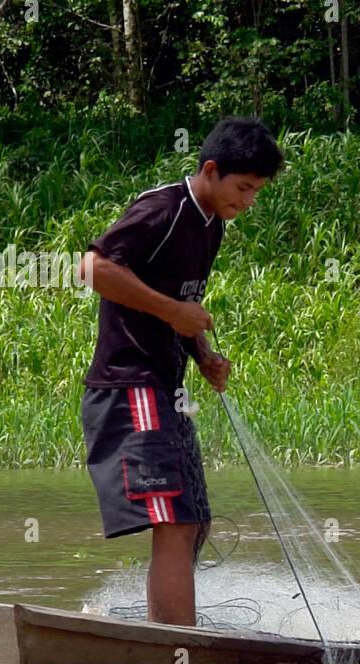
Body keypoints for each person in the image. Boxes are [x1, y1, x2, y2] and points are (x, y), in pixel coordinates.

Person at [79, 117, 284, 626]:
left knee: (194, 520)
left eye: (256, 192)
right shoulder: (165, 208)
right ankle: (175, 645)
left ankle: (168, 636)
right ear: (210, 171)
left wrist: (202, 354)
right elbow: (94, 269)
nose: (248, 202)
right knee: (174, 520)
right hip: (129, 386)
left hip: (165, 388)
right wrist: (173, 314)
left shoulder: (212, 224)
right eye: (243, 188)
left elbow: (180, 303)